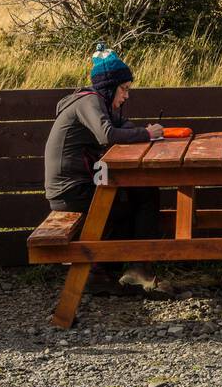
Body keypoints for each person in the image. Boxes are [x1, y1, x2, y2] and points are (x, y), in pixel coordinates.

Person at [44, 43, 171, 294]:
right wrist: (146, 133)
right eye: (124, 89)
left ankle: (118, 271)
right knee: (134, 203)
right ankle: (107, 273)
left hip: (77, 185)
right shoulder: (89, 102)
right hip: (71, 191)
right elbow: (108, 135)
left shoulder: (98, 104)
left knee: (141, 196)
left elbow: (121, 124)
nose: (126, 96)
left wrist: (140, 132)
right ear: (110, 87)